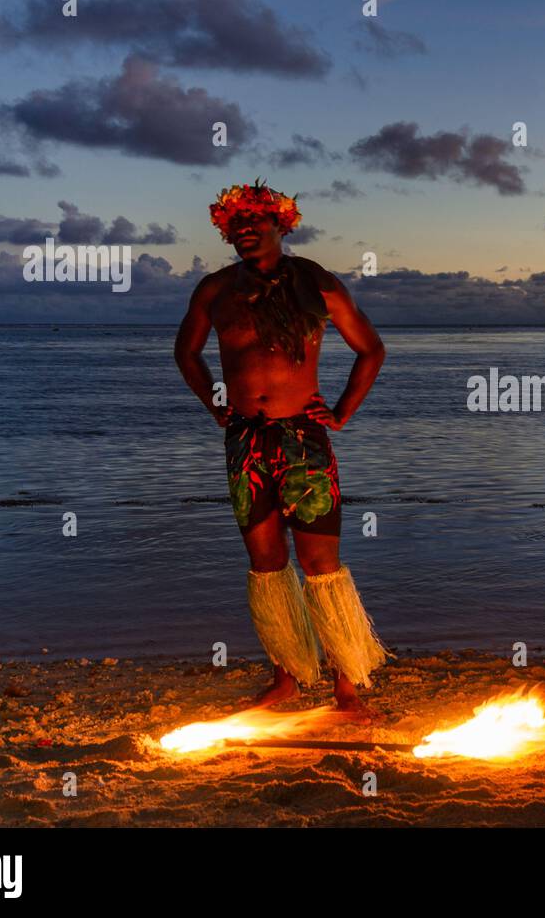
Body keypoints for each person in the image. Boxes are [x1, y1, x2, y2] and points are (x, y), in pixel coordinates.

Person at [174, 180, 388, 712]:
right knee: (266, 565)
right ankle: (287, 675)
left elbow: (371, 350)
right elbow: (186, 353)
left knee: (321, 566)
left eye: (255, 223)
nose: (245, 231)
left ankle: (347, 683)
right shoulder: (215, 289)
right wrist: (213, 402)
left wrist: (340, 413)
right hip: (245, 437)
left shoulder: (315, 283)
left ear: (280, 226)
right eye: (235, 226)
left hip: (303, 439)